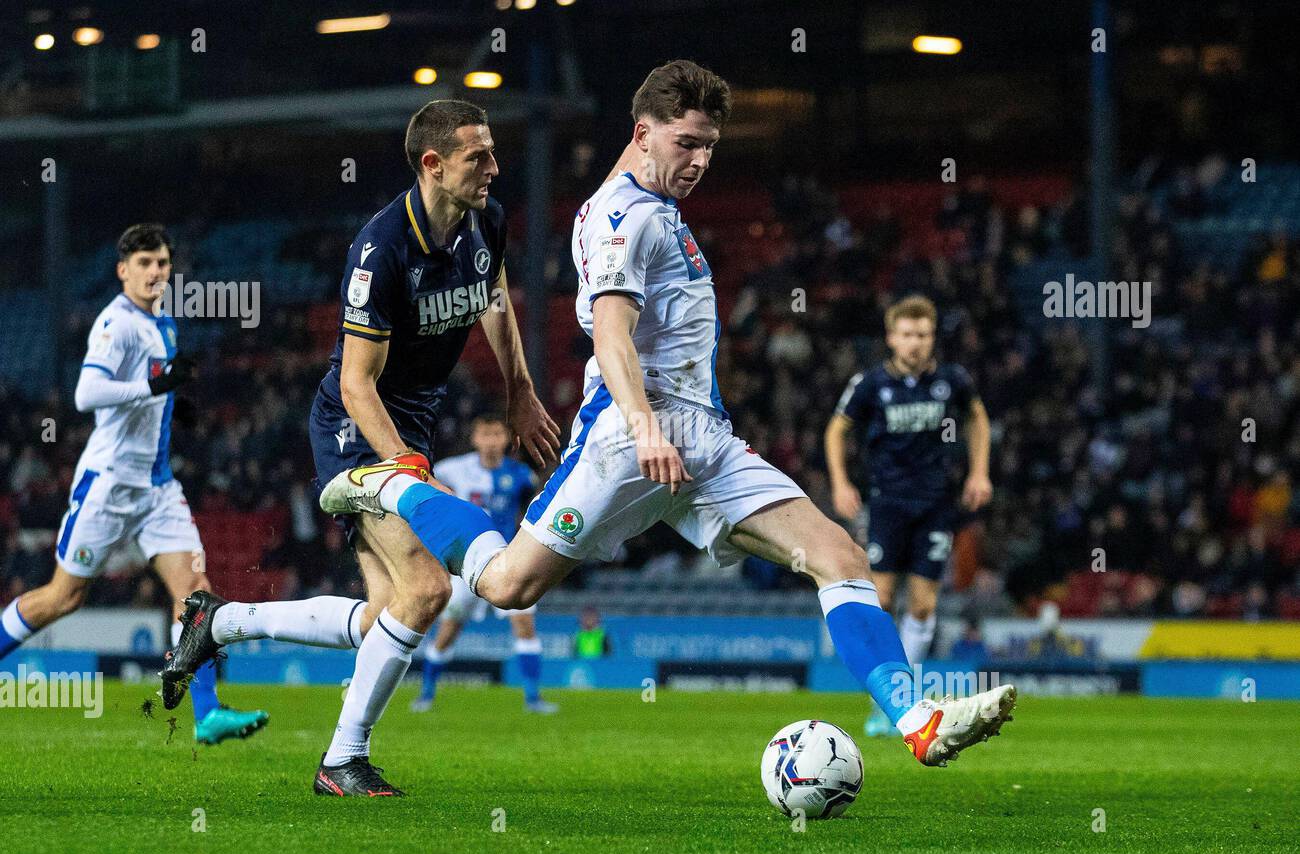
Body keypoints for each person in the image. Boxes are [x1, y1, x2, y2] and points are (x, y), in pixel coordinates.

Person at [320, 61, 1016, 774]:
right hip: (627, 441)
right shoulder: (619, 218)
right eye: (687, 143)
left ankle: (917, 720)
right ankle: (389, 487)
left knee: (839, 556)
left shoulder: (661, 210)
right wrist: (644, 424)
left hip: (704, 442)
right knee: (503, 587)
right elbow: (612, 333)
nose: (701, 160)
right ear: (642, 134)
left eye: (710, 146)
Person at [162, 99, 559, 796]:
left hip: (414, 423)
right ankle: (341, 761)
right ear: (433, 165)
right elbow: (354, 383)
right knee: (431, 588)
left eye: (495, 152)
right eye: (480, 157)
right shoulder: (381, 251)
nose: (496, 168)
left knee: (388, 615)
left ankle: (219, 621)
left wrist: (519, 389)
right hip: (358, 425)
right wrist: (403, 465)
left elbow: (493, 293)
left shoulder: (486, 221)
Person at [0, 223, 267, 745]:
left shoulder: (162, 321)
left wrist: (171, 403)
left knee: (195, 595)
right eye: (144, 263)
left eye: (162, 264)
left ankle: (207, 714)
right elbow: (86, 393)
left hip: (157, 487)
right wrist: (154, 386)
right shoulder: (115, 322)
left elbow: (151, 390)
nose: (155, 272)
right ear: (123, 270)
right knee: (63, 597)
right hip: (109, 485)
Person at [824, 294, 993, 736]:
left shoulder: (952, 380)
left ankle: (900, 701)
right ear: (891, 337)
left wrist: (979, 472)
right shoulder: (870, 383)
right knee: (879, 601)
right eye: (906, 334)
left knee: (922, 605)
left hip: (935, 505)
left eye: (922, 334)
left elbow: (976, 417)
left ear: (932, 336)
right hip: (886, 505)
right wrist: (841, 483)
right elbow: (836, 429)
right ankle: (888, 694)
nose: (914, 343)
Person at [411, 412, 556, 714]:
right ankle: (426, 693)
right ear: (474, 438)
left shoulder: (521, 476)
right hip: (467, 564)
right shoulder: (452, 470)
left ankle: (533, 698)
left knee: (525, 625)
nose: (490, 441)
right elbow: (423, 485)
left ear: (506, 438)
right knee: (448, 630)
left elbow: (529, 512)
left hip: (511, 561)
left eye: (496, 434)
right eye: (484, 434)